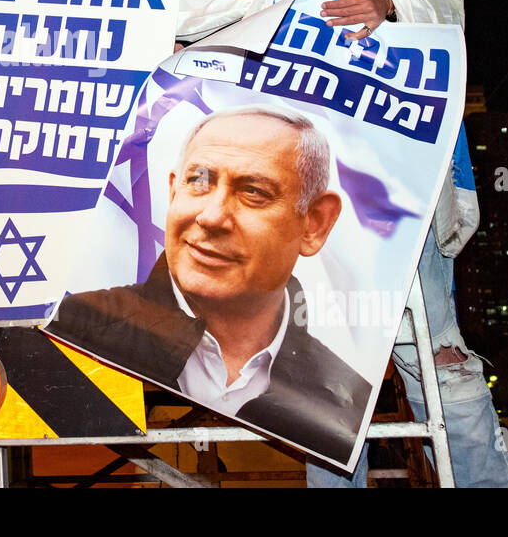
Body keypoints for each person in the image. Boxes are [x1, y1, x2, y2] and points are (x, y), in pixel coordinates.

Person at [188, 0, 508, 488]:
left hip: (391, 193)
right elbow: (166, 22)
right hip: (299, 209)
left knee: (436, 356)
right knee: (318, 366)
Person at [46, 106, 372, 466]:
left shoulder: (347, 391)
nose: (212, 216)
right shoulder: (71, 329)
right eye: (198, 181)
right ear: (173, 192)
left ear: (315, 223)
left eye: (253, 191)